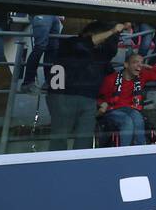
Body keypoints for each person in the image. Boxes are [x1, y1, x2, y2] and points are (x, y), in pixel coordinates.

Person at [48, 21, 125, 149]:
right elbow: (87, 44)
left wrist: (106, 101)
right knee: (59, 138)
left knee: (84, 141)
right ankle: (55, 167)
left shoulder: (100, 55)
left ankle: (79, 167)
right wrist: (112, 31)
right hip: (63, 96)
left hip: (88, 99)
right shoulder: (71, 43)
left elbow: (111, 75)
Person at [97, 52, 156, 146]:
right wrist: (103, 105)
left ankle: (139, 151)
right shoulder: (111, 79)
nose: (139, 65)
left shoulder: (142, 76)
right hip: (113, 110)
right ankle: (124, 153)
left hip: (132, 110)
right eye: (135, 62)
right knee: (127, 121)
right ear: (126, 64)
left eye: (141, 63)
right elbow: (99, 98)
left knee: (136, 117)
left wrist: (149, 67)